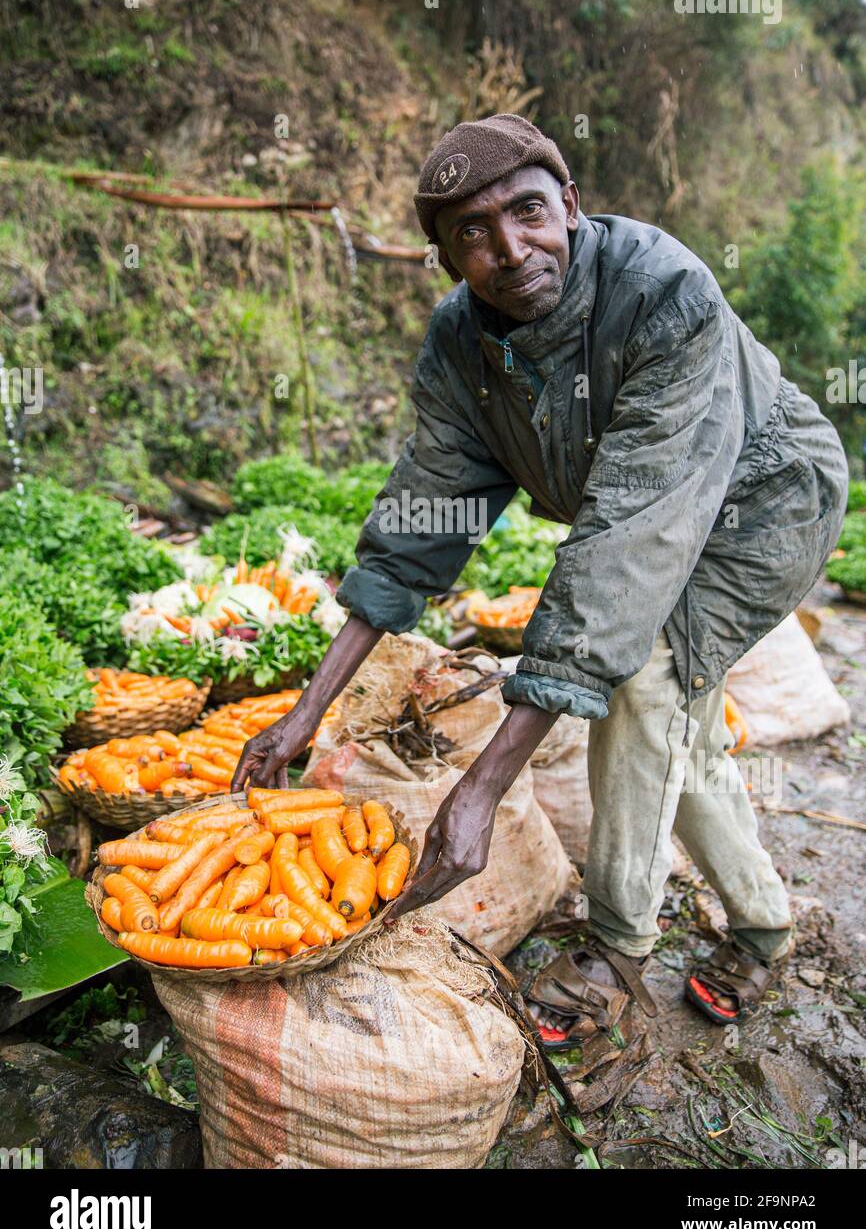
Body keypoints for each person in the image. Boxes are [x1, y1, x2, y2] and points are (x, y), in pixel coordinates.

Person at [232, 114, 848, 1036]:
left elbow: (622, 551)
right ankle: (763, 925)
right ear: (445, 260)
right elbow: (419, 517)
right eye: (471, 235)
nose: (510, 250)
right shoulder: (460, 344)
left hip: (761, 502)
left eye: (526, 213)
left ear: (569, 204)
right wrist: (303, 714)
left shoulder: (664, 292)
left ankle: (615, 952)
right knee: (680, 727)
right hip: (653, 515)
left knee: (640, 684)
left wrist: (478, 787)